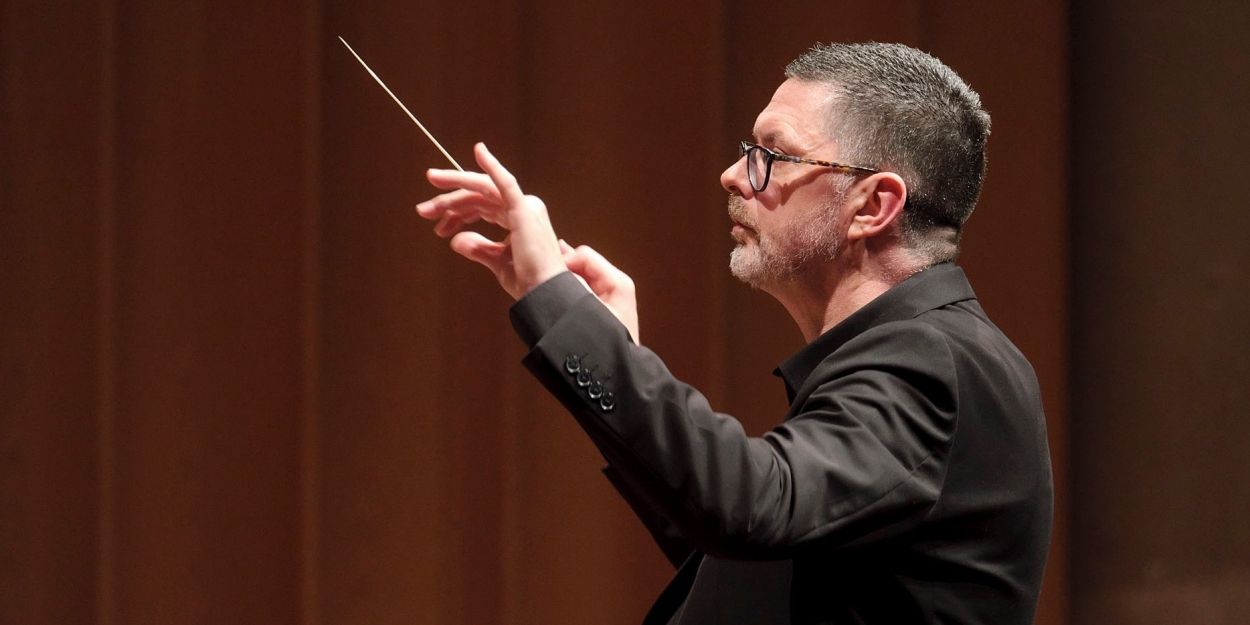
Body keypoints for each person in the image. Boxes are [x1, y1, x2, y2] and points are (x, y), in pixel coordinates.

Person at [415, 42, 1052, 625]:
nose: (733, 174)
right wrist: (613, 347)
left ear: (873, 205)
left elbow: (752, 508)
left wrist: (566, 315)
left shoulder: (933, 357)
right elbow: (752, 557)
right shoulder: (923, 354)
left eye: (771, 155)